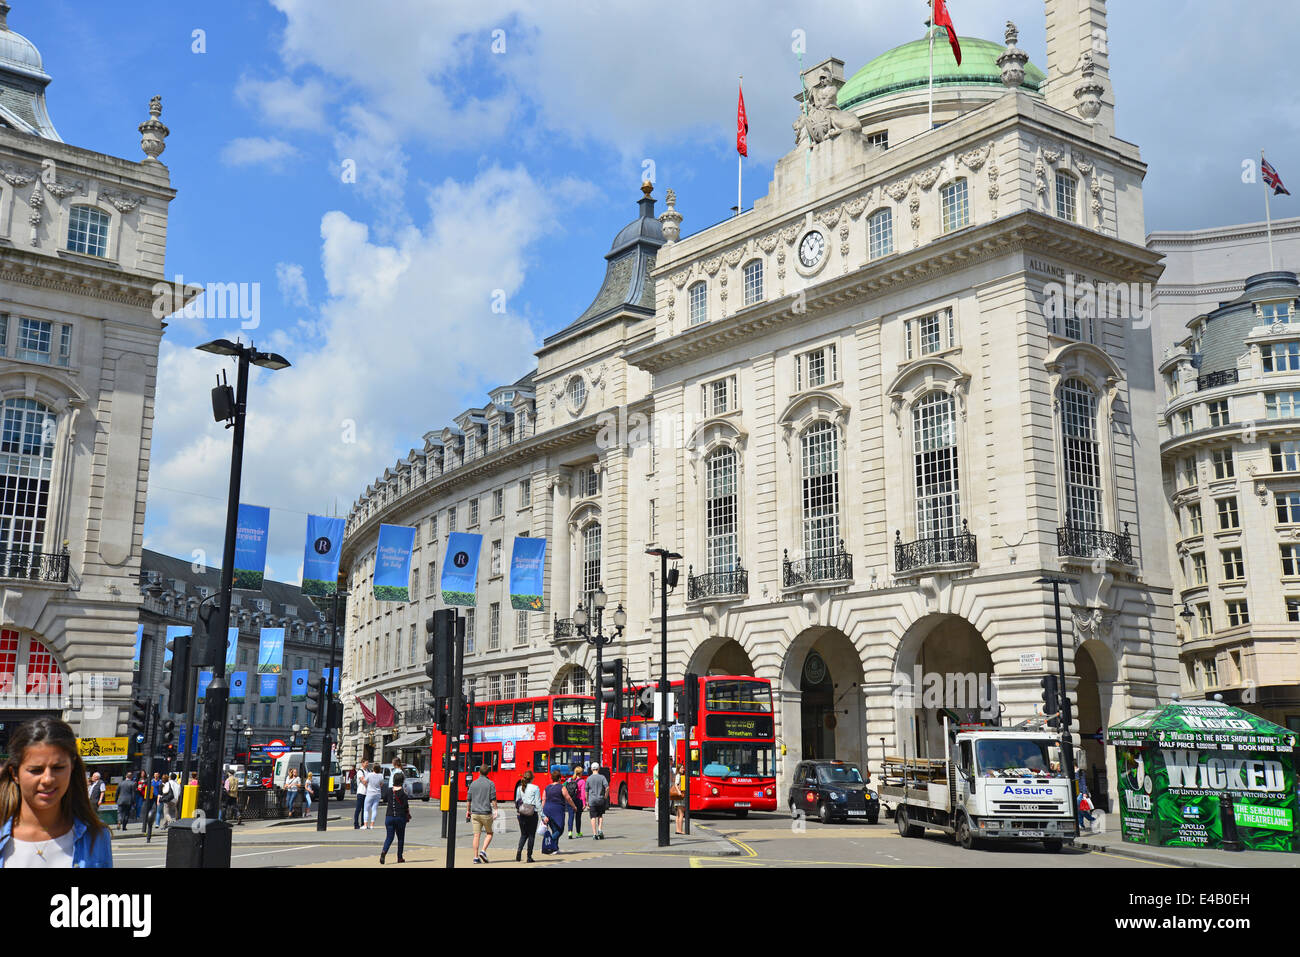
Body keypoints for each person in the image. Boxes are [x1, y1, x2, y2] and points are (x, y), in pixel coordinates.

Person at [0, 717, 113, 868]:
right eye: (36, 770)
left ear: (72, 767)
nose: (47, 779)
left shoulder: (96, 837)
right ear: (15, 773)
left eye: (58, 768)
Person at [540, 768, 575, 856]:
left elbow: (543, 799)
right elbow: (568, 798)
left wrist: (542, 812)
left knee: (554, 829)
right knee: (560, 830)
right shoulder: (561, 787)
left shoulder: (547, 787)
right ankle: (548, 842)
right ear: (559, 779)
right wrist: (574, 806)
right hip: (557, 810)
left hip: (547, 809)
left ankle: (555, 848)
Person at [466, 765, 496, 863]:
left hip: (474, 813)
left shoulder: (473, 784)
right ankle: (483, 851)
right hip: (486, 813)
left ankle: (475, 857)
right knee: (490, 833)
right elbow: (493, 799)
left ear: (479, 772)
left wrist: (468, 811)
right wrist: (496, 810)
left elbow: (468, 799)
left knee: (476, 835)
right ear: (487, 773)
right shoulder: (490, 783)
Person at [380, 771, 411, 864]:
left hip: (389, 817)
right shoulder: (403, 792)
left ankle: (384, 852)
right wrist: (408, 814)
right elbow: (406, 805)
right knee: (400, 838)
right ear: (402, 781)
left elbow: (384, 798)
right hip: (400, 817)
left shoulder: (389, 790)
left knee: (389, 837)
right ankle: (399, 857)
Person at [514, 770, 542, 862]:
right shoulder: (535, 788)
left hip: (521, 814)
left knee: (523, 835)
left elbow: (517, 802)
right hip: (532, 814)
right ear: (532, 778)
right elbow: (538, 803)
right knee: (531, 835)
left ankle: (518, 852)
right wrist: (542, 815)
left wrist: (518, 811)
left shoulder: (519, 788)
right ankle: (529, 857)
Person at [586, 763, 609, 840]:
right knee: (600, 815)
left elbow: (586, 791)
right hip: (600, 799)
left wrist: (587, 801)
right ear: (598, 769)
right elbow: (607, 787)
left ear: (591, 769)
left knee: (593, 817)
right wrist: (605, 796)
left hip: (592, 800)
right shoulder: (602, 777)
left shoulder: (588, 779)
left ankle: (594, 834)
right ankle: (600, 830)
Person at [564, 766, 585, 838]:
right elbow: (582, 794)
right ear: (581, 773)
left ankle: (570, 832)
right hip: (578, 800)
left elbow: (564, 787)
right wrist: (584, 803)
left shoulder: (569, 780)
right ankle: (578, 832)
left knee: (571, 816)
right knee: (578, 817)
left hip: (570, 800)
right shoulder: (582, 781)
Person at [363, 758, 383, 829]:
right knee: (374, 809)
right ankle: (372, 825)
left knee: (366, 809)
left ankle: (365, 825)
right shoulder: (381, 775)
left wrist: (368, 785)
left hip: (370, 793)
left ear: (373, 768)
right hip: (377, 793)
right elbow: (381, 784)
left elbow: (364, 782)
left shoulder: (369, 774)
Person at [353, 761, 369, 829]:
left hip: (366, 793)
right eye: (366, 763)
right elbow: (363, 781)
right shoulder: (360, 771)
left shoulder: (368, 771)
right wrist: (370, 785)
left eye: (368, 763)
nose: (367, 764)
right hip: (361, 792)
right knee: (358, 809)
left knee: (365, 809)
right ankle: (356, 824)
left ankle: (363, 824)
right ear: (362, 763)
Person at [671, 763, 686, 835]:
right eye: (682, 768)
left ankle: (678, 829)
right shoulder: (678, 775)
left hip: (677, 797)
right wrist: (679, 792)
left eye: (683, 768)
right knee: (681, 814)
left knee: (677, 814)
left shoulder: (678, 775)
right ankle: (680, 830)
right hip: (679, 797)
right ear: (678, 769)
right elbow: (676, 785)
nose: (683, 769)